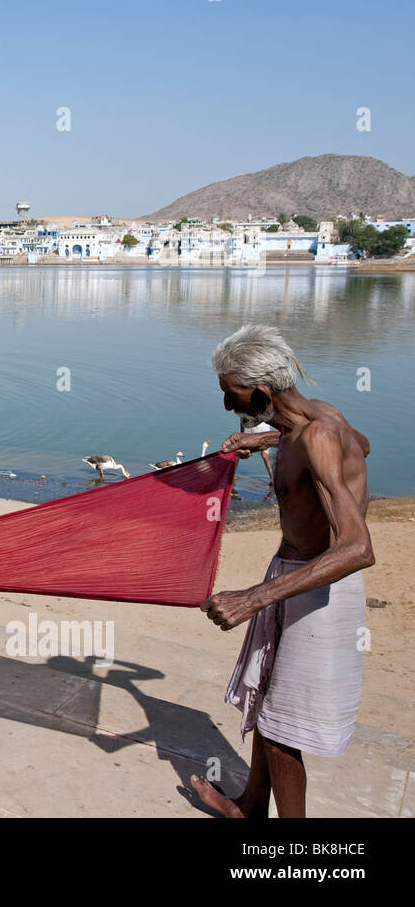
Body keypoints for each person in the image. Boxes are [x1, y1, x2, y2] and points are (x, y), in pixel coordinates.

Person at [191, 324, 374, 819]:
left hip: (319, 586)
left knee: (281, 730)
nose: (231, 408)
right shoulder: (321, 418)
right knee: (267, 705)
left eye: (233, 396)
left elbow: (357, 548)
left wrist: (252, 597)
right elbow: (364, 444)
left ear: (262, 390)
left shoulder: (318, 434)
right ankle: (252, 805)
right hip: (291, 575)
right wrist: (271, 437)